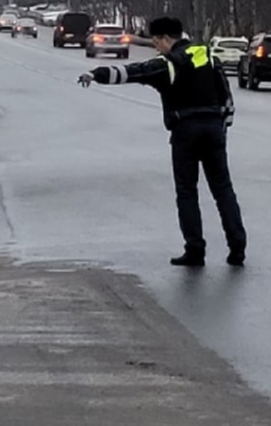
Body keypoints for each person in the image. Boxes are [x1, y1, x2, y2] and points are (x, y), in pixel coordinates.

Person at [78, 16, 247, 267]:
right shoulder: (208, 57)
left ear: (167, 39)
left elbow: (131, 73)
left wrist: (96, 74)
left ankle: (195, 250)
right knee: (223, 189)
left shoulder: (167, 64)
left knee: (187, 192)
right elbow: (226, 97)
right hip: (213, 129)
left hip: (185, 131)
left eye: (157, 42)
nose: (156, 47)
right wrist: (223, 127)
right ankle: (237, 248)